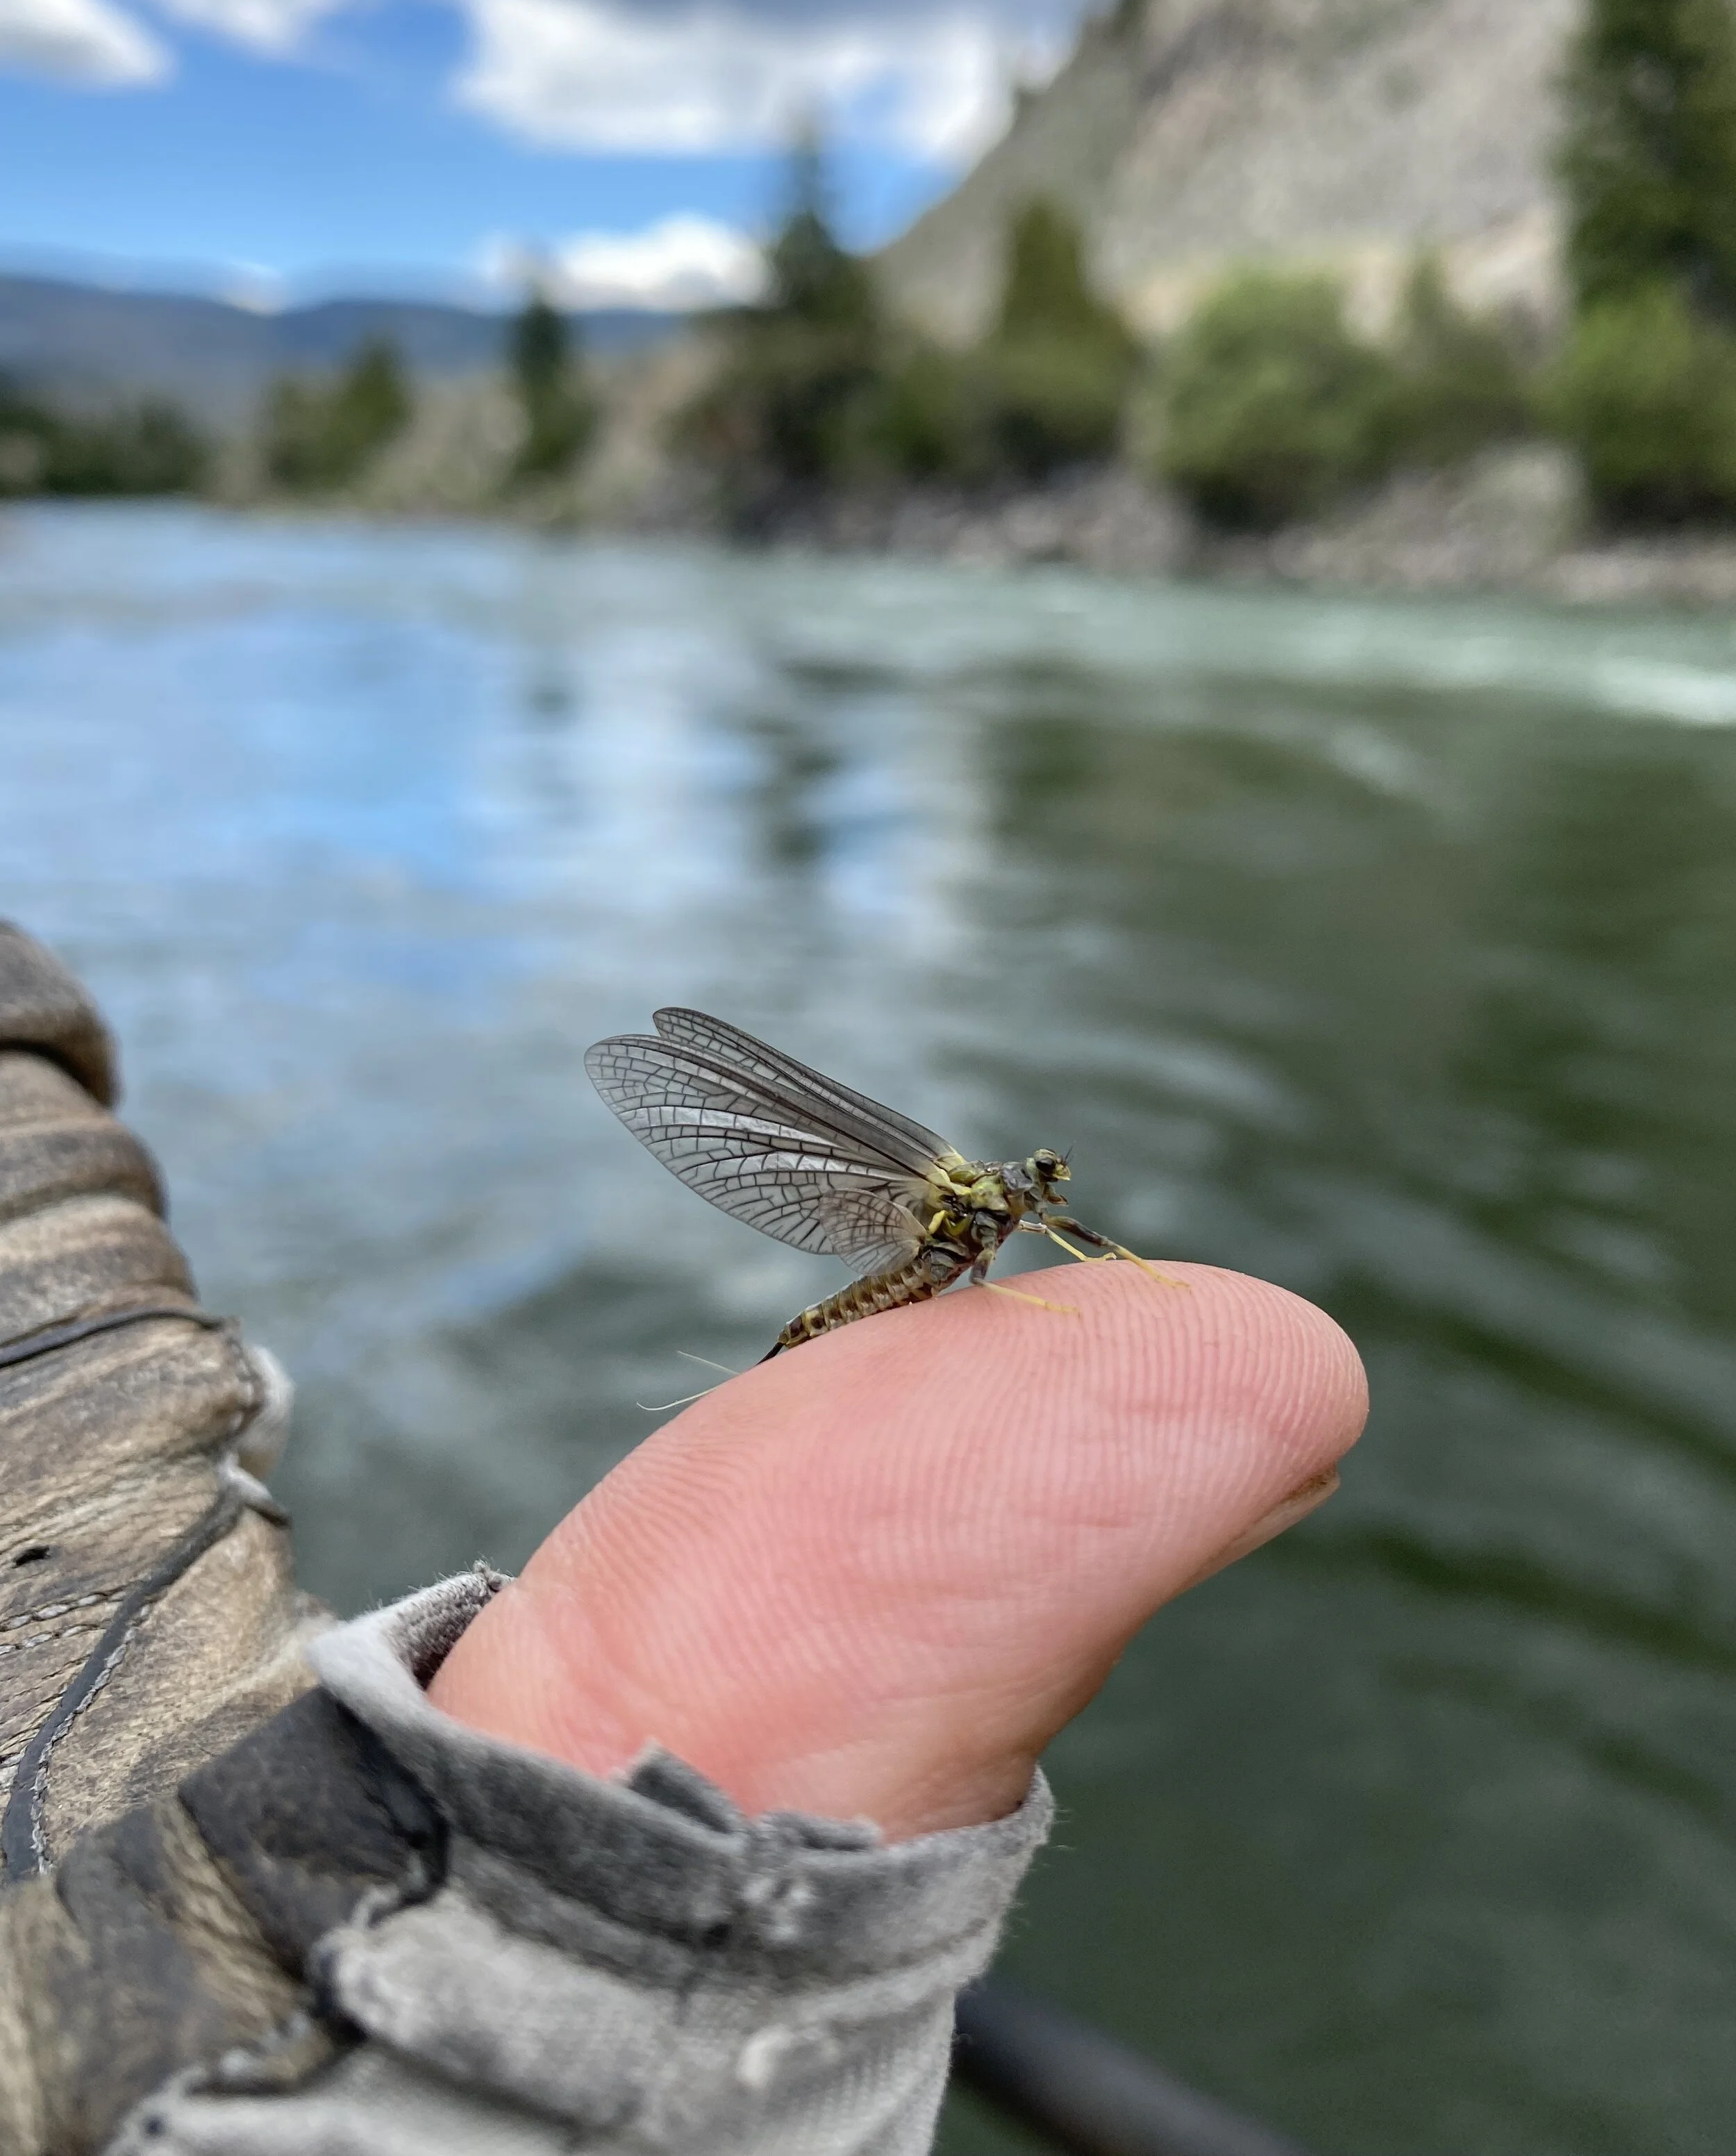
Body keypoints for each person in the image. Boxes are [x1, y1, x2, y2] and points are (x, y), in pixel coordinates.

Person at [0, 922, 1365, 2155]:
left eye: (1040, 1190)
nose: (1039, 1194)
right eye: (1037, 1187)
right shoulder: (954, 1199)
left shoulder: (999, 1210)